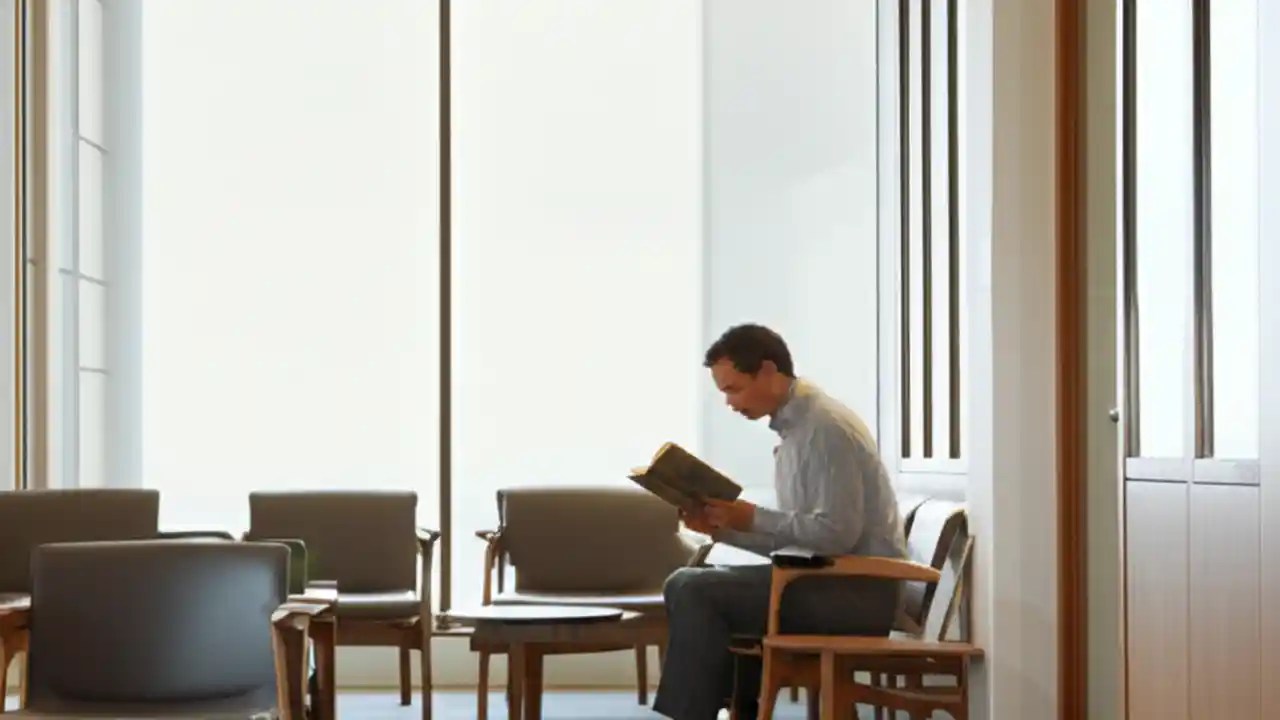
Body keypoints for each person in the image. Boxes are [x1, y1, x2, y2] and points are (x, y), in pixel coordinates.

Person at [652, 323, 907, 720]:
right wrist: (724, 530)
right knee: (701, 579)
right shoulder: (797, 430)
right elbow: (802, 544)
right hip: (826, 580)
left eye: (733, 389)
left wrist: (751, 517)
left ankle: (694, 714)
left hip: (855, 594)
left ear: (769, 372)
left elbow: (835, 534)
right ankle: (732, 709)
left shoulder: (824, 430)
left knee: (692, 588)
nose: (729, 403)